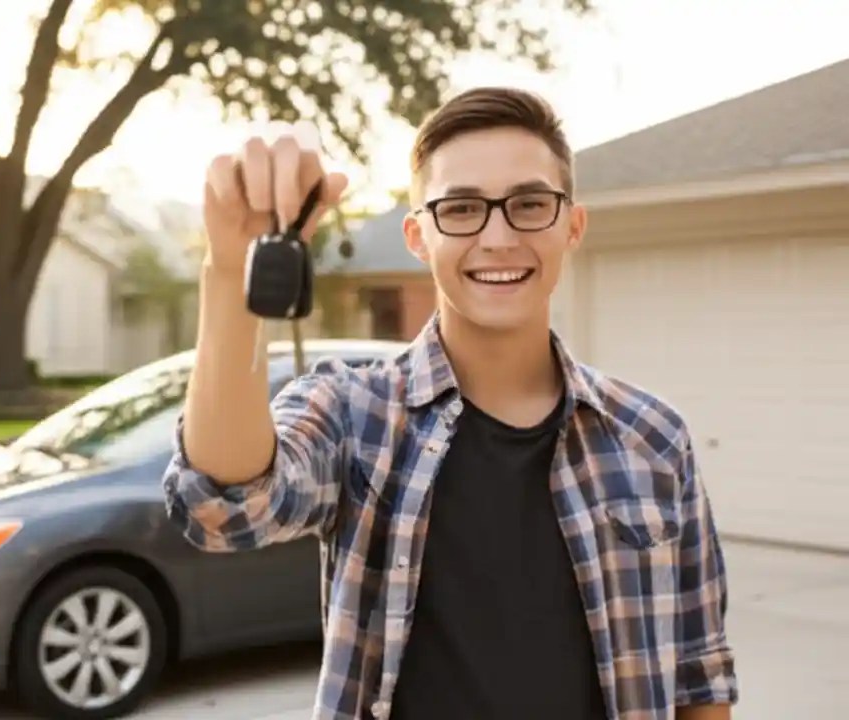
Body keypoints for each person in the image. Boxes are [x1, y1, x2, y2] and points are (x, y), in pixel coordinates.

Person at [161, 86, 738, 720]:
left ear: (572, 226)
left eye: (529, 204)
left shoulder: (653, 439)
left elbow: (698, 677)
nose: (497, 236)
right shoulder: (357, 413)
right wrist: (230, 267)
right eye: (461, 208)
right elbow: (221, 508)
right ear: (418, 236)